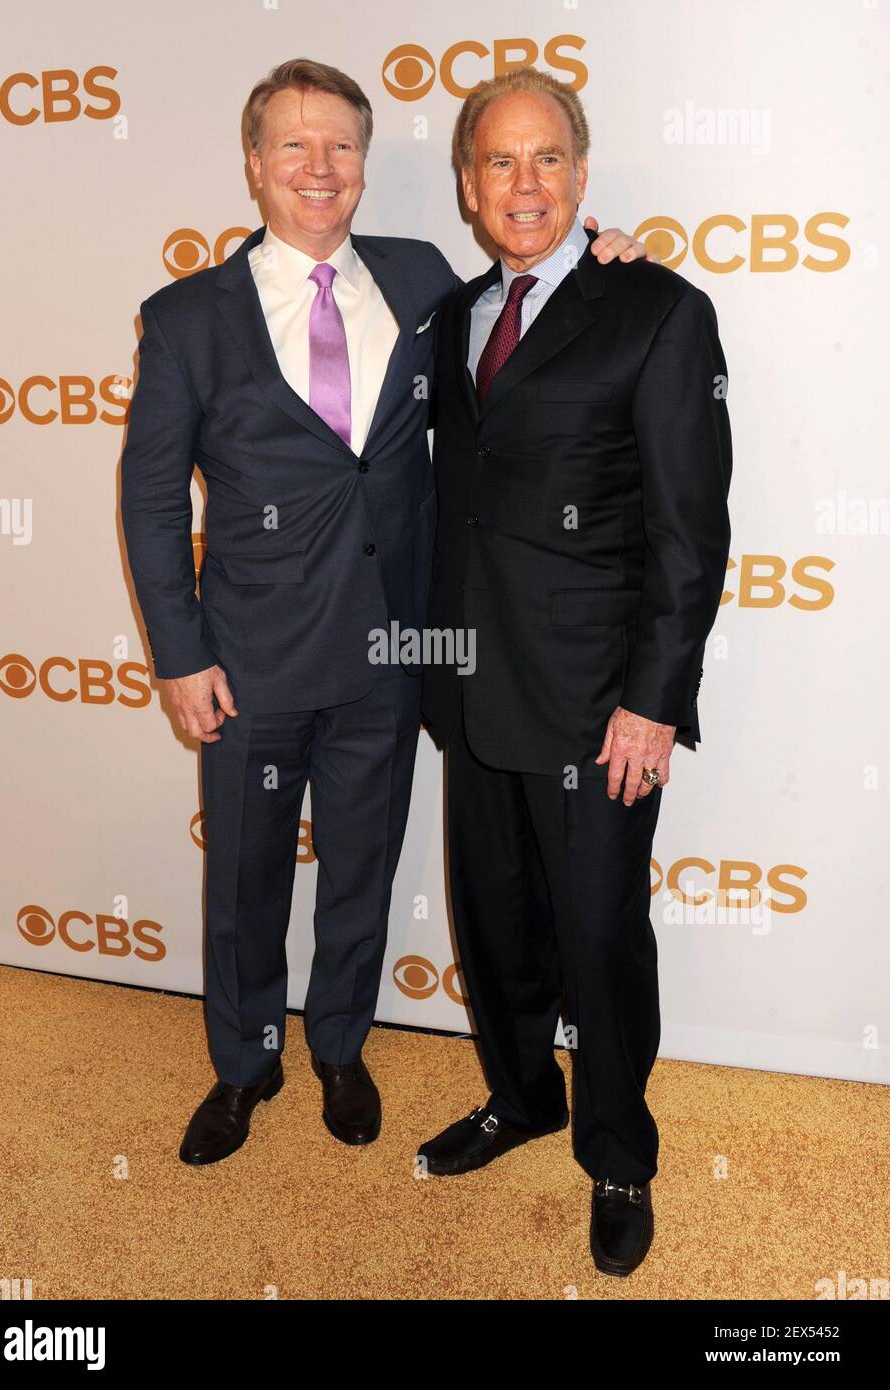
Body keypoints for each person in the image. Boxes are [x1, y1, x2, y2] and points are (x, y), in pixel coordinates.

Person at [120, 58, 646, 1168]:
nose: (320, 168)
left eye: (342, 146)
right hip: (247, 662)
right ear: (255, 164)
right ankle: (245, 1062)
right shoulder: (183, 321)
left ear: (366, 166)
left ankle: (342, 1048)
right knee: (247, 879)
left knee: (362, 867)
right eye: (295, 146)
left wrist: (611, 253)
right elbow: (152, 498)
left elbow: (540, 296)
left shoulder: (423, 287)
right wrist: (179, 654)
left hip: (392, 655)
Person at [419, 67, 733, 1276]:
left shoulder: (656, 310)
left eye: (547, 157)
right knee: (495, 927)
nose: (525, 184)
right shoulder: (454, 316)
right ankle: (520, 1099)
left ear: (584, 172)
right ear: (467, 186)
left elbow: (688, 529)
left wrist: (655, 698)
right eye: (499, 163)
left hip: (601, 706)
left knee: (600, 938)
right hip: (471, 687)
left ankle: (617, 1152)